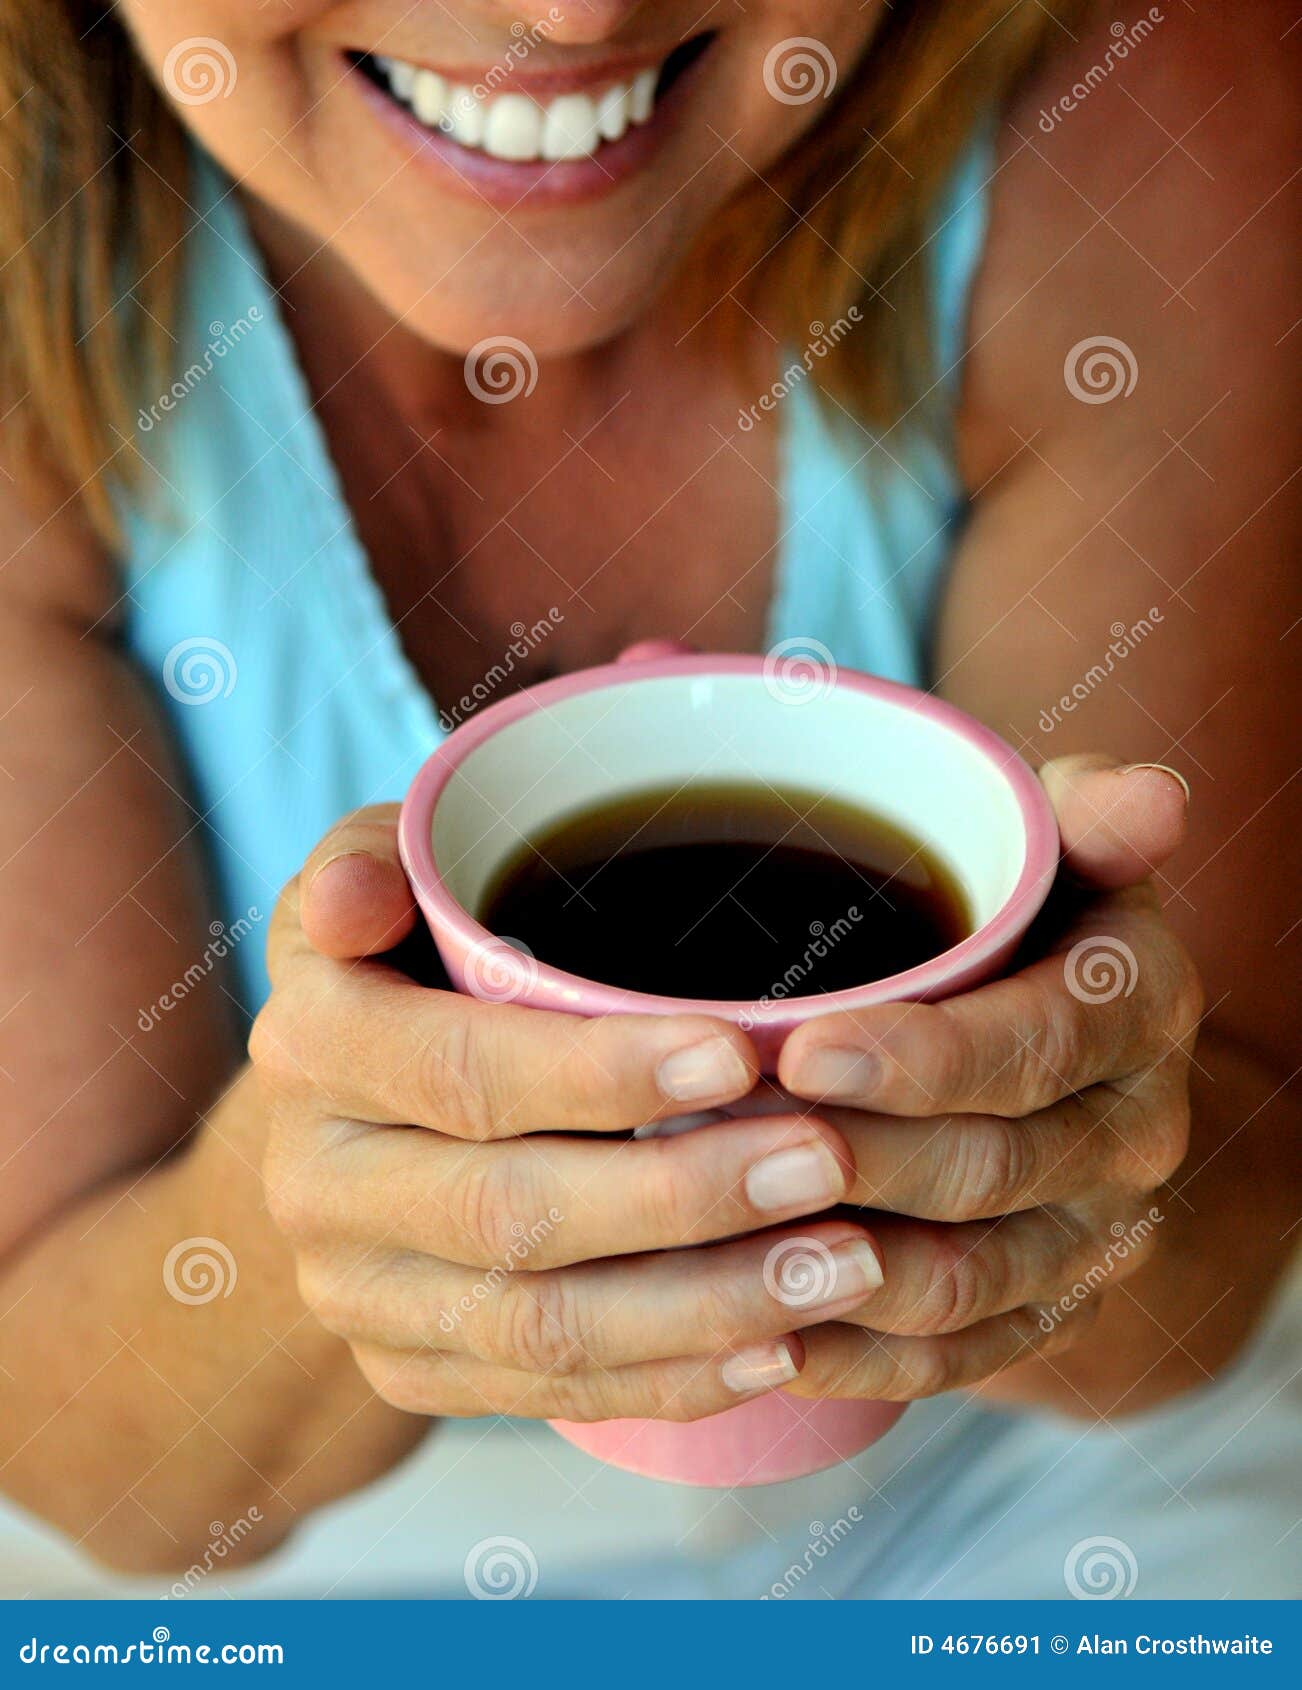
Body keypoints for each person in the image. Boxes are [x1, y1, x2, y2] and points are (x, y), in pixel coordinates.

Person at [0, 0, 1297, 1601]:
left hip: (1008, 1480)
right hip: (330, 1566)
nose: (569, 16)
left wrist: (1073, 1178)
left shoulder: (1137, 90)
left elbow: (1211, 1280)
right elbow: (97, 1474)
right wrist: (332, 1210)